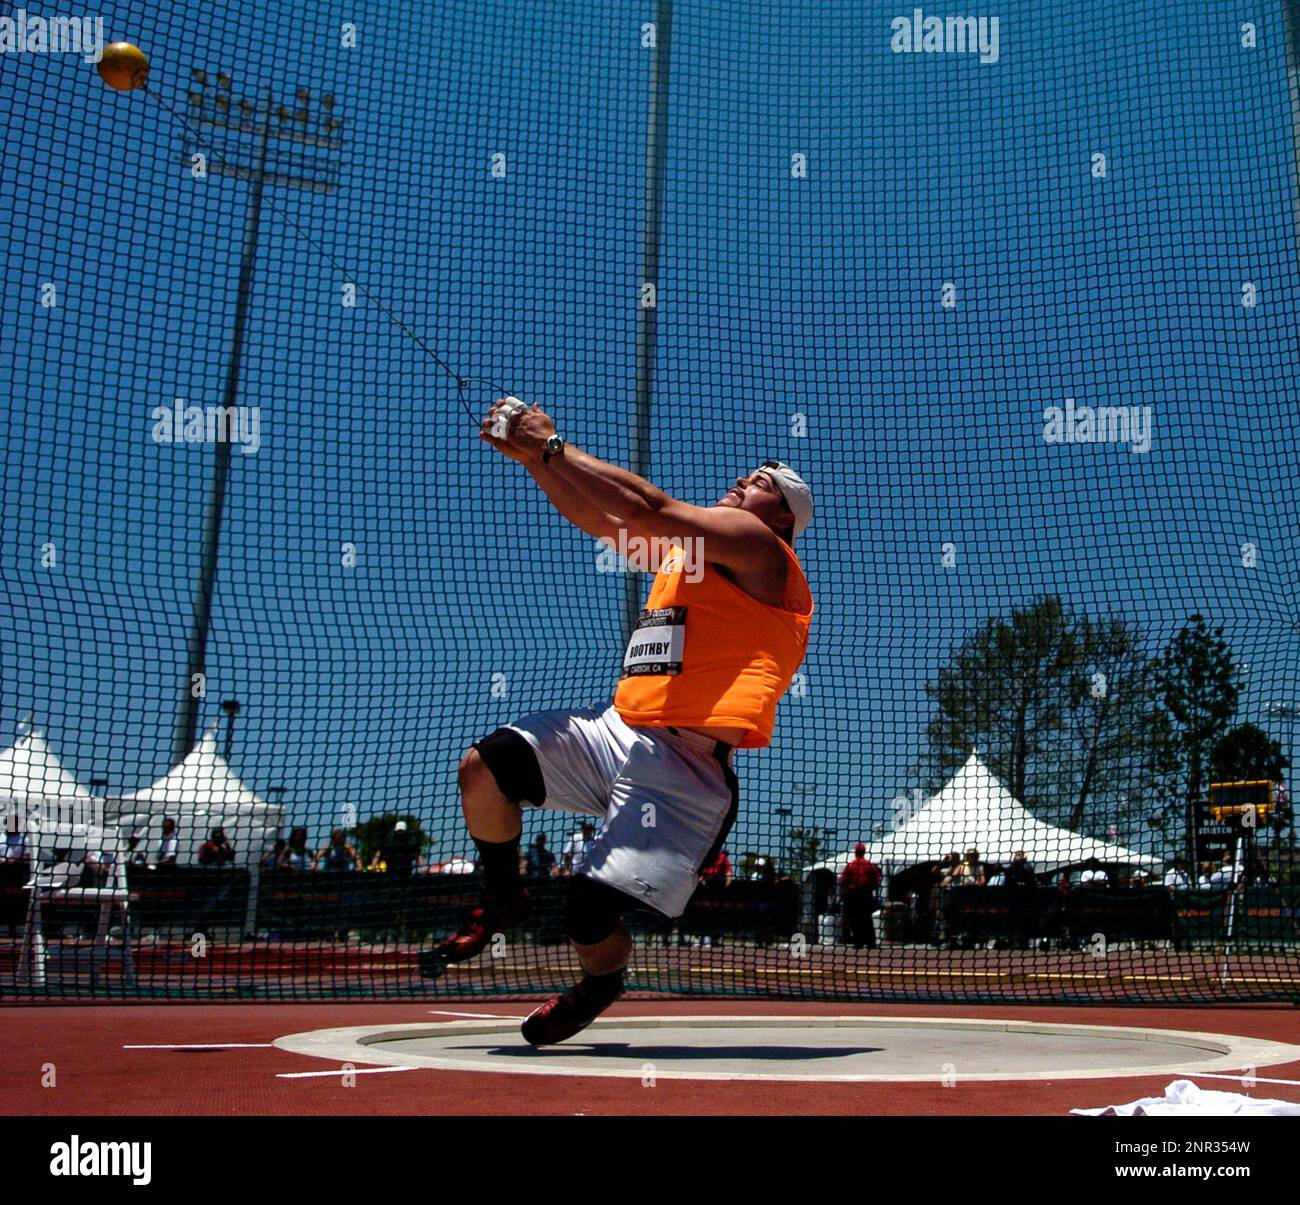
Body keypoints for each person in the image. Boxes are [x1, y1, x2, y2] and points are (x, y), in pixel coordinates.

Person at [428, 399, 814, 1046]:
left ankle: (601, 980)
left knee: (587, 912)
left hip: (686, 769)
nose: (744, 479)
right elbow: (605, 520)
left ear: (780, 516)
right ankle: (503, 897)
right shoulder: (688, 561)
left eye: (761, 483)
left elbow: (649, 508)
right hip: (619, 731)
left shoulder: (760, 549)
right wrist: (534, 461)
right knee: (485, 767)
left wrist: (551, 446)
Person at [839, 843, 881, 948]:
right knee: (867, 919)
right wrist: (873, 890)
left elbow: (843, 881)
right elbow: (877, 879)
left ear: (855, 852)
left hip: (853, 895)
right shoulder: (869, 865)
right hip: (866, 894)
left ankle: (858, 942)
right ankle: (871, 943)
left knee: (855, 920)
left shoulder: (851, 865)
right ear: (864, 852)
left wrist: (843, 894)